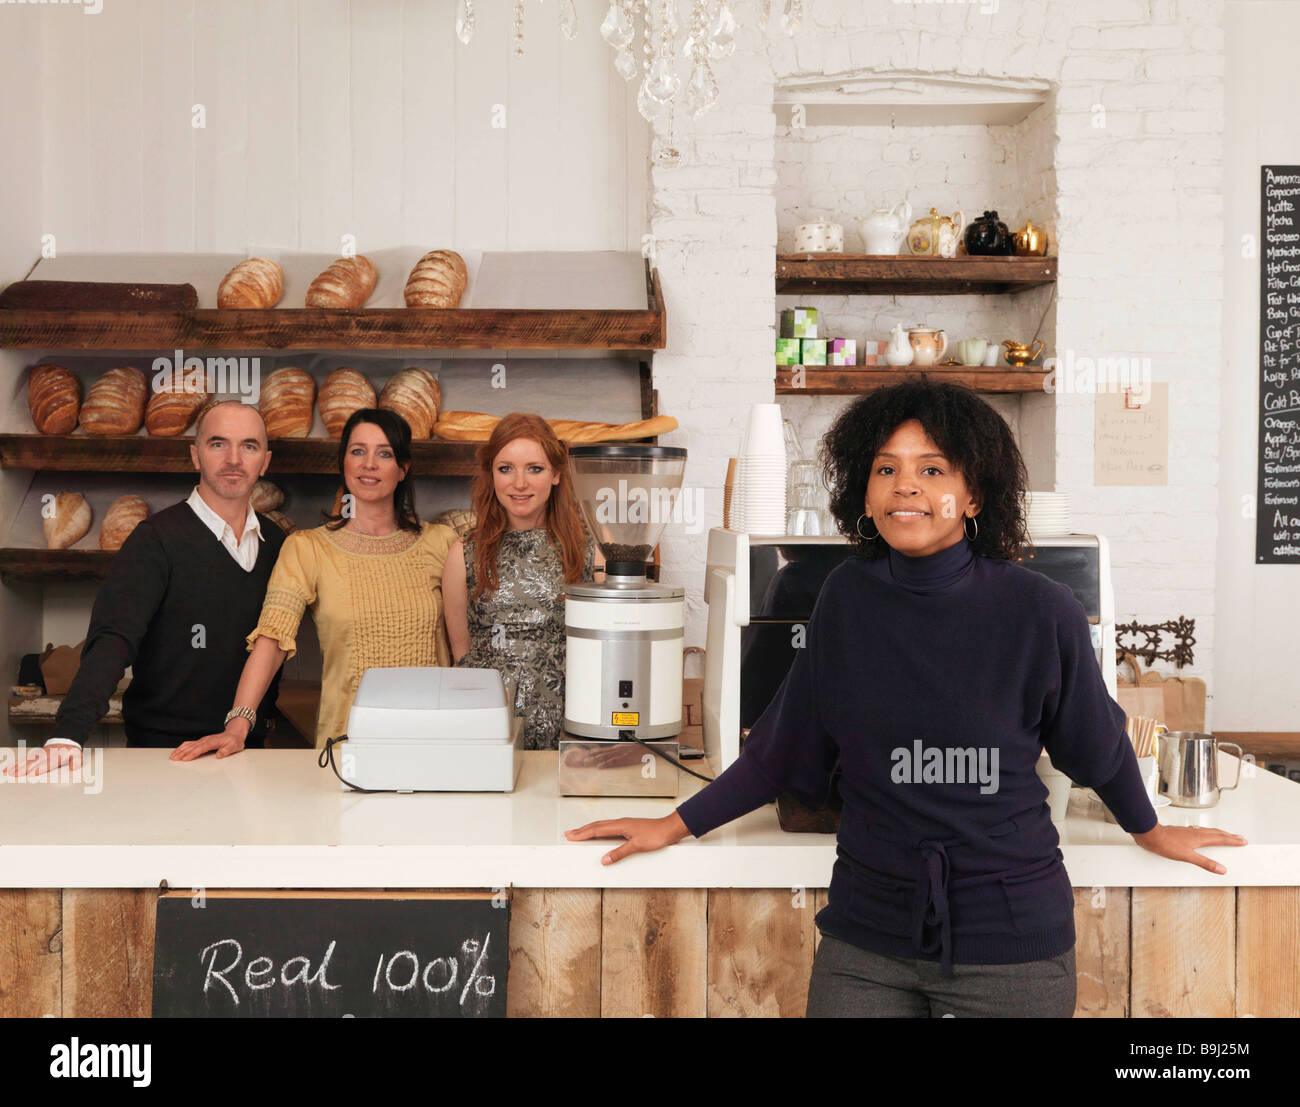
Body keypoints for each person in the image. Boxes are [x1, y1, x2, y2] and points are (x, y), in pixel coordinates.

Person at [566, 380, 1246, 1018]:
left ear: (973, 495)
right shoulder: (846, 601)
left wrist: (1150, 827)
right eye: (886, 469)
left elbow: (1096, 741)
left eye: (932, 469)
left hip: (1013, 942)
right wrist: (673, 824)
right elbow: (782, 749)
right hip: (867, 938)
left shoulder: (1040, 609)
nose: (905, 487)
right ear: (865, 492)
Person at [3, 401, 285, 778]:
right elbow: (113, 639)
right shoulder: (155, 540)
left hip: (247, 752)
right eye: (218, 444)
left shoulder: (277, 544)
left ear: (265, 461)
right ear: (195, 455)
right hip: (163, 754)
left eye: (248, 446)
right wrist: (68, 735)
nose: (234, 458)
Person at [172, 408, 457, 758]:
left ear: (403, 468)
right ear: (344, 463)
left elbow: (466, 650)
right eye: (357, 451)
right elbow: (273, 639)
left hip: (438, 742)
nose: (369, 463)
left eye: (384, 453)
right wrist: (238, 724)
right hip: (348, 747)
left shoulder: (442, 543)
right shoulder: (308, 548)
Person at [442, 413, 597, 750]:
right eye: (506, 468)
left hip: (572, 732)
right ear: (492, 475)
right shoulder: (464, 554)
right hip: (487, 734)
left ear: (556, 474)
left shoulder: (588, 551)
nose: (520, 483)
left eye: (535, 468)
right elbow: (463, 657)